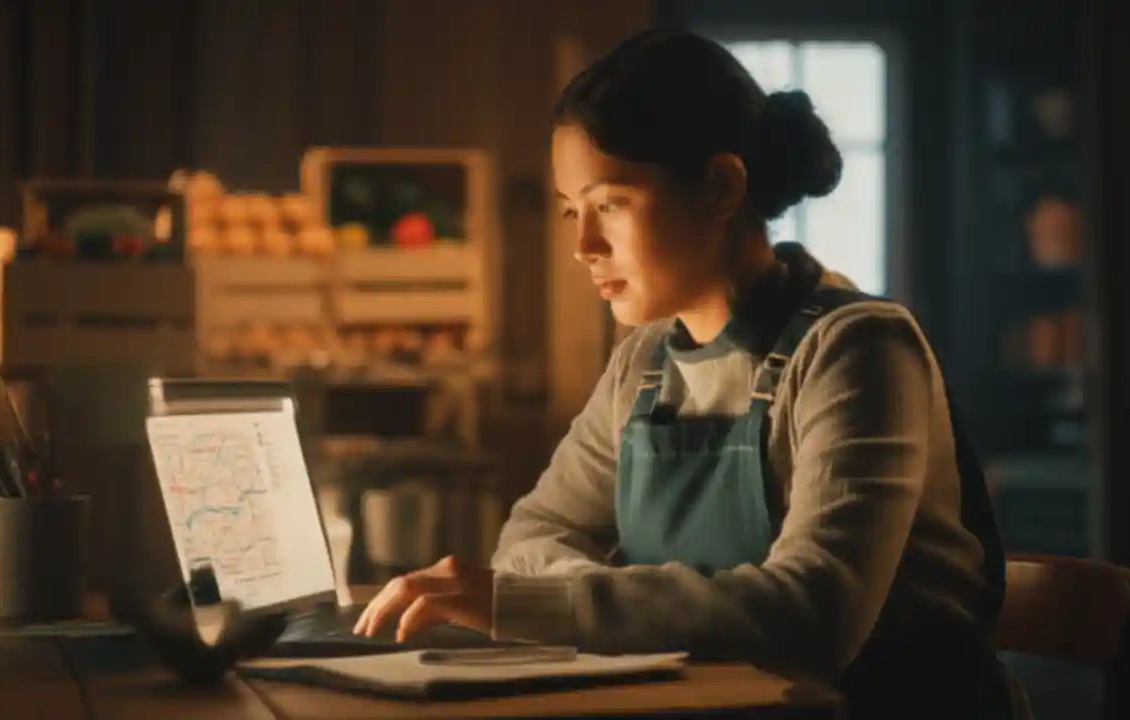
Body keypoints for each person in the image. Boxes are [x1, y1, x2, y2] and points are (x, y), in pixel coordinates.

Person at [356, 29, 1026, 718]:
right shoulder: (644, 363)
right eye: (570, 211)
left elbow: (811, 616)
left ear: (720, 187)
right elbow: (531, 537)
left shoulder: (857, 350)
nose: (583, 245)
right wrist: (595, 602)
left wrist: (529, 604)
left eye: (610, 203)